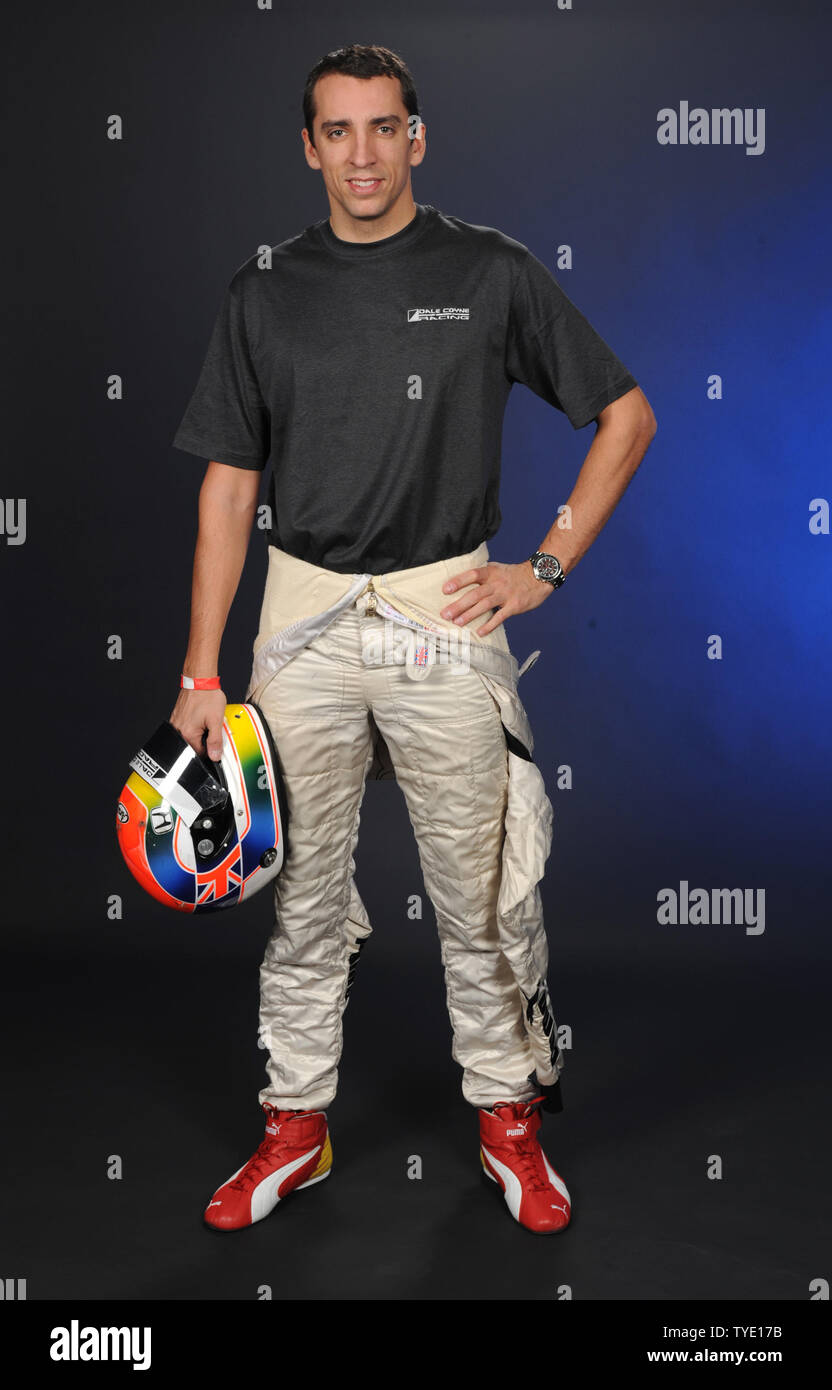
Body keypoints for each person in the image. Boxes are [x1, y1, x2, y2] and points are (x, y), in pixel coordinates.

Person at [169, 43, 657, 1238]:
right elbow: (229, 493)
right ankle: (297, 1125)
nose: (363, 154)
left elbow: (625, 414)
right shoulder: (264, 289)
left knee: (487, 892)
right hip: (303, 619)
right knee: (299, 894)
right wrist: (197, 670)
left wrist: (543, 565)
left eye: (385, 128)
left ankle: (507, 1123)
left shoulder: (487, 270)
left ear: (417, 138)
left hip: (446, 607)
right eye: (338, 131)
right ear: (308, 147)